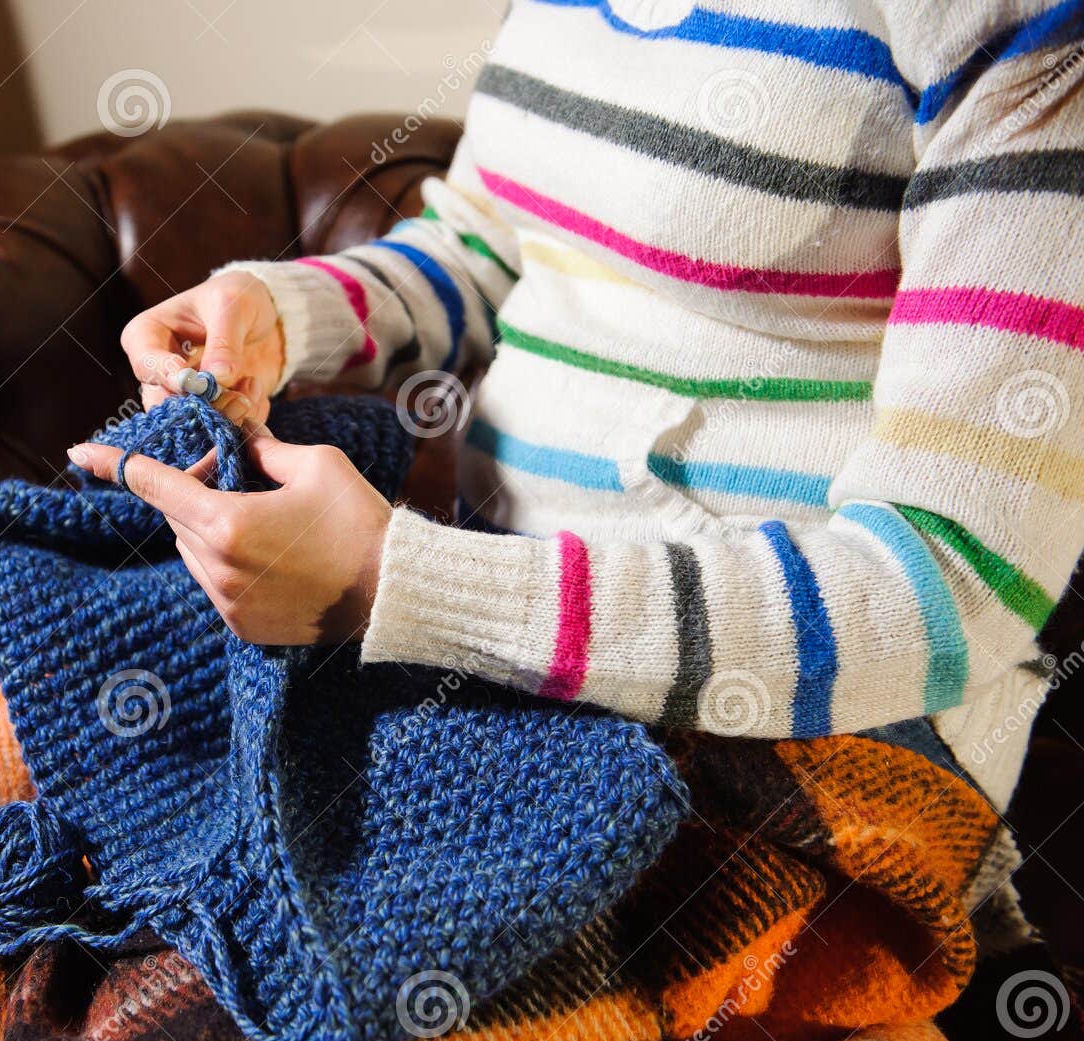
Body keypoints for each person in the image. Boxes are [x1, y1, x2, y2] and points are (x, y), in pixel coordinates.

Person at [66, 0, 1083, 795]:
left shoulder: (1022, 28)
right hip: (489, 649)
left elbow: (952, 589)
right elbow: (490, 243)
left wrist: (402, 584)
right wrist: (286, 315)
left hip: (813, 743)